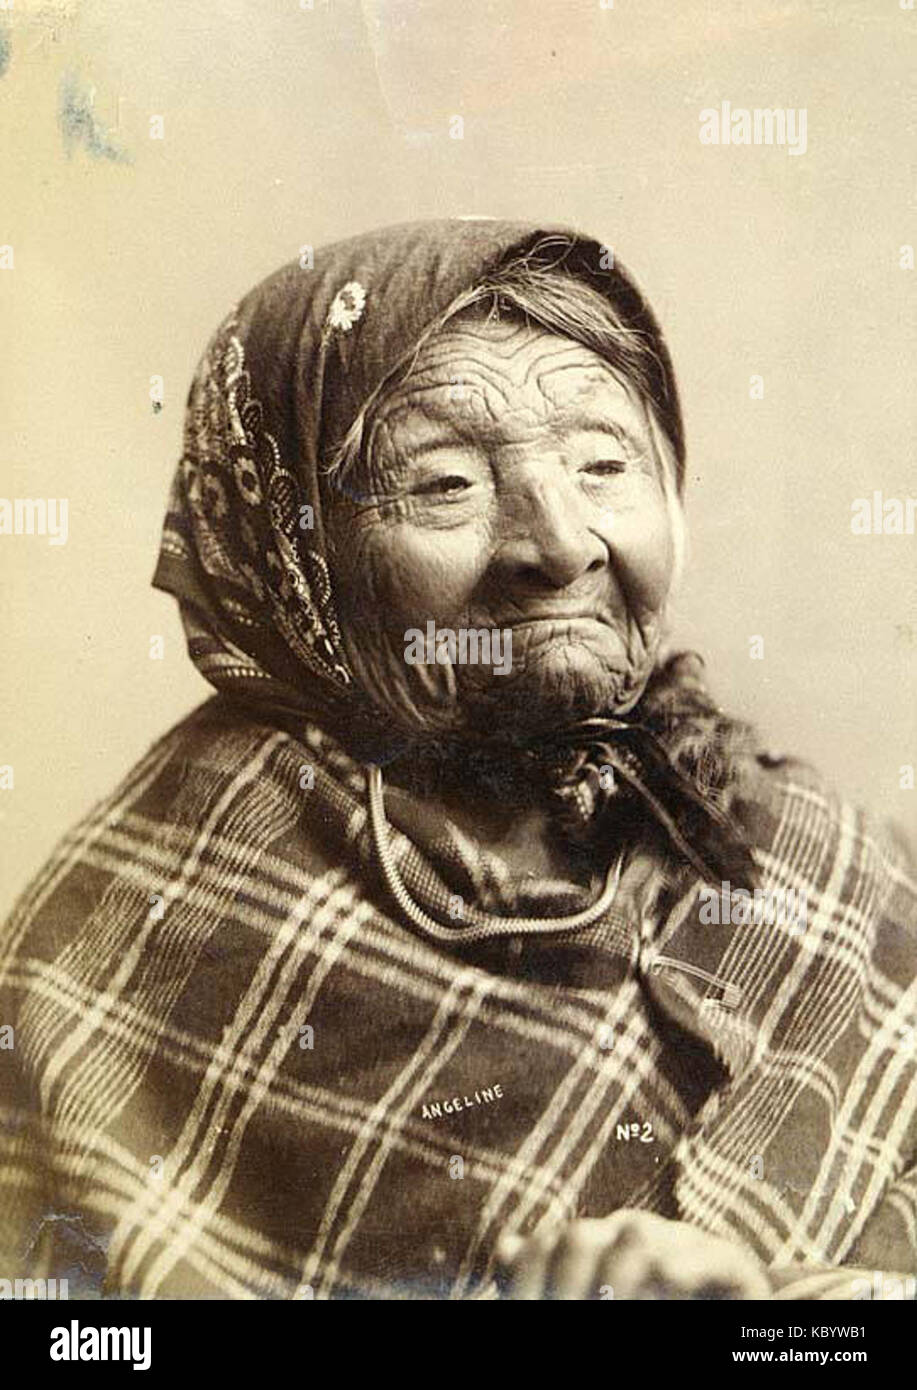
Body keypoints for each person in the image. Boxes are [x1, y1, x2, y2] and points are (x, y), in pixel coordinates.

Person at [1, 219, 915, 1300]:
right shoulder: (136, 933)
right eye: (443, 486)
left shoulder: (812, 858)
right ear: (293, 551)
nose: (559, 543)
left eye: (603, 464)